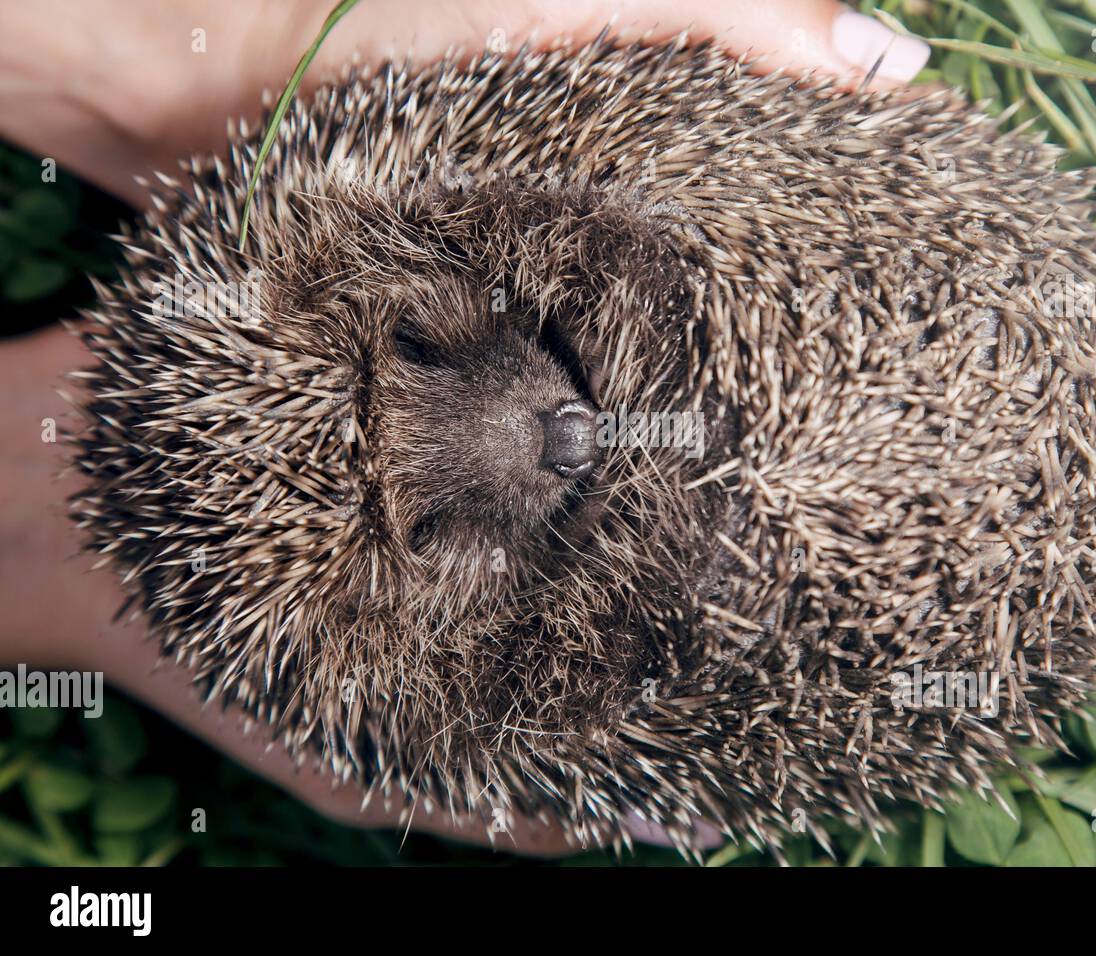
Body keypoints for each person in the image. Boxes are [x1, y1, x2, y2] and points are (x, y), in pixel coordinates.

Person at [0, 0, 928, 855]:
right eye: (428, 526)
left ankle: (212, 66)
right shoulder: (433, 665)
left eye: (417, 352)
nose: (557, 437)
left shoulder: (392, 223)